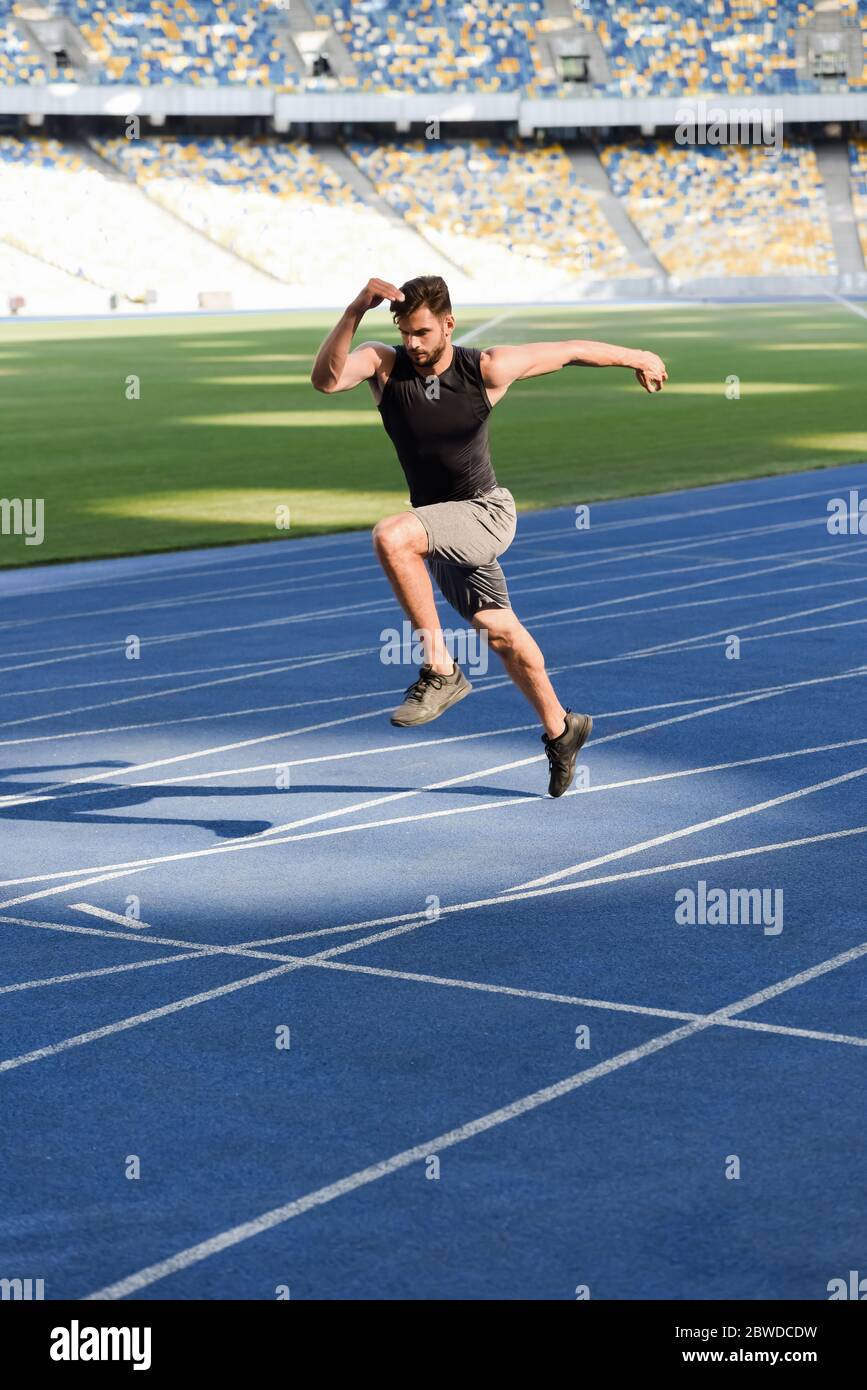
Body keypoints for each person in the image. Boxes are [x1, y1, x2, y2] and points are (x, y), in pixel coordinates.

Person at [311, 274, 667, 796]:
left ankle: (441, 667)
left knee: (392, 536)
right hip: (438, 524)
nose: (413, 344)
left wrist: (639, 356)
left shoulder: (486, 368)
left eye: (424, 332)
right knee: (501, 635)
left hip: (482, 514)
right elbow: (326, 380)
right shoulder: (382, 363)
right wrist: (355, 309)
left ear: (449, 324)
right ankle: (562, 728)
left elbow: (568, 351)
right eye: (406, 332)